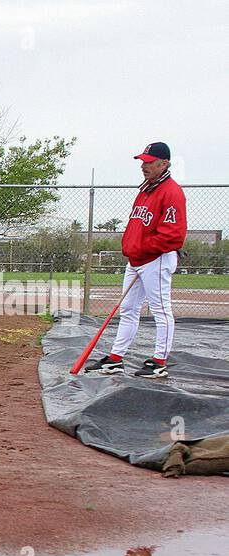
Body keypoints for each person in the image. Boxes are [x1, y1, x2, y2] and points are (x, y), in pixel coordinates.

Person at [85, 142, 187, 379]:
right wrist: (132, 250)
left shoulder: (171, 191)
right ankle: (116, 359)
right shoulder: (145, 189)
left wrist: (143, 250)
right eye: (143, 161)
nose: (144, 165)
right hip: (137, 260)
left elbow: (173, 234)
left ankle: (159, 361)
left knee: (161, 310)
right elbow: (137, 227)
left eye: (149, 162)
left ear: (164, 164)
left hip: (156, 259)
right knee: (128, 309)